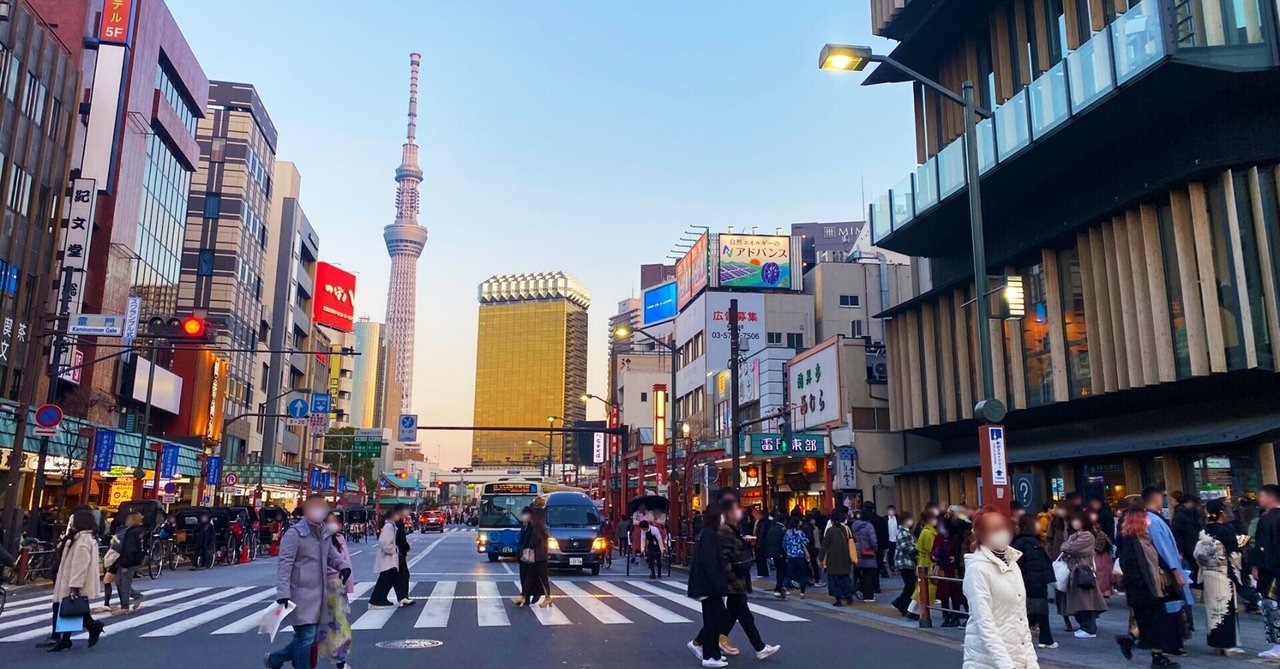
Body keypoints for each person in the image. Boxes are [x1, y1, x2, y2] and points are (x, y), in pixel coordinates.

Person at [266, 494, 351, 669]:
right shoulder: (295, 534)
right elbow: (285, 564)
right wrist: (283, 593)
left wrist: (343, 566)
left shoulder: (323, 533)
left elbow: (330, 555)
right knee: (306, 636)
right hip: (300, 593)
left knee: (309, 637)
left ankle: (274, 659)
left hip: (320, 593)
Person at [961, 507, 1039, 669]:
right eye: (995, 529)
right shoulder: (977, 569)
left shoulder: (1012, 563)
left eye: (1004, 527)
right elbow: (984, 623)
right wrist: (1006, 664)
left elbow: (1021, 620)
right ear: (980, 533)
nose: (1002, 533)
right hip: (986, 661)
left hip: (1018, 657)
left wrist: (1031, 662)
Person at [1115, 498, 1181, 668]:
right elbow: (1129, 566)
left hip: (1152, 588)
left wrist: (1172, 575)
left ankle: (1131, 641)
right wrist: (1146, 585)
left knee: (1151, 623)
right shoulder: (1132, 541)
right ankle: (1156, 657)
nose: (1148, 521)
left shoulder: (1144, 539)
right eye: (1145, 518)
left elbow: (1158, 560)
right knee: (1155, 622)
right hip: (1145, 590)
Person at [720, 494, 781, 660]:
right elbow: (725, 556)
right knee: (744, 615)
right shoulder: (726, 530)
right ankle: (759, 647)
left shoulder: (734, 529)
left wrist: (744, 540)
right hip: (735, 579)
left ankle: (713, 640)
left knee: (732, 614)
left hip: (738, 579)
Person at [1143, 487, 1193, 657]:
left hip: (1165, 569)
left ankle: (1170, 642)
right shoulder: (1153, 520)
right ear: (1156, 499)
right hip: (1166, 572)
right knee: (1172, 607)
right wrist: (1174, 570)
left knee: (1171, 607)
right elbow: (1163, 548)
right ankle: (1171, 643)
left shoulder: (1152, 519)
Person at [48, 510, 105, 652]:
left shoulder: (82, 541)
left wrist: (75, 585)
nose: (71, 523)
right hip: (71, 579)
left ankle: (91, 628)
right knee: (72, 609)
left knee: (73, 608)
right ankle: (67, 639)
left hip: (72, 580)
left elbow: (80, 565)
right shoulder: (81, 538)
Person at [1195, 498, 1245, 656]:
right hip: (1224, 573)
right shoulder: (1227, 531)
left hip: (1208, 573)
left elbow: (1198, 554)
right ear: (1222, 512)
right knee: (1226, 608)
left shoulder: (1204, 531)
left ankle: (1217, 644)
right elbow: (1234, 555)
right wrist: (1239, 574)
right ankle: (1228, 644)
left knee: (1213, 610)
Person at [687, 505, 730, 668]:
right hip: (709, 586)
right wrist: (720, 585)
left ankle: (712, 653)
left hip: (707, 585)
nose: (724, 519)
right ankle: (710, 656)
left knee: (716, 619)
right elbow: (710, 563)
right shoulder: (710, 535)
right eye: (722, 516)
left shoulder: (707, 534)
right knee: (714, 620)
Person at [1060, 511, 1108, 638]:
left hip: (1083, 571)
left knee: (1086, 601)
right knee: (1079, 601)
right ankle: (1084, 626)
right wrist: (1066, 547)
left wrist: (1066, 547)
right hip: (1074, 572)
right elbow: (1065, 547)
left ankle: (1089, 628)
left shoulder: (1087, 536)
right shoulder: (1074, 535)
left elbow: (1071, 548)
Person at [316, 512, 354, 669]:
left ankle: (340, 661)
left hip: (338, 586)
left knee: (340, 625)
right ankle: (281, 657)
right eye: (329, 521)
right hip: (322, 586)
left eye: (335, 521)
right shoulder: (320, 539)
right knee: (316, 629)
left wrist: (348, 584)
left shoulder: (339, 539)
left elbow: (346, 562)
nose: (333, 524)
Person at [1014, 513, 1057, 650]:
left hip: (1030, 581)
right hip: (1034, 581)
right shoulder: (1029, 543)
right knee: (1040, 612)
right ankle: (1046, 639)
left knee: (1031, 611)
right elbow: (1035, 564)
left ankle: (1042, 638)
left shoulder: (1022, 542)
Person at [1255, 484, 1280, 658]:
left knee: (1272, 607)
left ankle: (1278, 647)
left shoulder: (1267, 520)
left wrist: (1257, 566)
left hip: (1272, 571)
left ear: (1270, 497)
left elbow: (1263, 547)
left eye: (1262, 496)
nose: (1259, 499)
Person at [110, 510, 147, 615]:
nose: (127, 520)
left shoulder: (132, 532)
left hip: (128, 561)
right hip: (131, 560)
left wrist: (126, 564)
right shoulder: (136, 531)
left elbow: (130, 549)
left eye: (129, 519)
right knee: (119, 582)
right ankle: (136, 596)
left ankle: (125, 606)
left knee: (124, 583)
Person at [819, 507, 856, 606]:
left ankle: (838, 599)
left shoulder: (830, 531)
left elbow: (825, 545)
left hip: (833, 560)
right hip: (845, 558)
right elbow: (853, 539)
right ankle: (849, 596)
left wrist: (821, 558)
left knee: (835, 581)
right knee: (845, 578)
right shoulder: (846, 529)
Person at [367, 509, 401, 608]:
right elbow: (384, 541)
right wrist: (393, 549)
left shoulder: (391, 525)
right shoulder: (389, 526)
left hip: (389, 557)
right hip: (388, 557)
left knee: (388, 579)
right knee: (384, 580)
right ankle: (374, 601)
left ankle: (382, 598)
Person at [522, 498, 552, 608]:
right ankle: (523, 596)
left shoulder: (537, 521)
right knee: (531, 576)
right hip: (540, 554)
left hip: (538, 555)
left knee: (542, 578)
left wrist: (530, 546)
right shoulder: (542, 518)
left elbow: (536, 537)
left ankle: (547, 598)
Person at [892, 513, 919, 618]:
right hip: (904, 561)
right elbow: (905, 547)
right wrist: (917, 547)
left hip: (906, 562)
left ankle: (903, 605)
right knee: (910, 585)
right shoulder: (902, 532)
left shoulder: (906, 532)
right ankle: (901, 603)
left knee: (910, 585)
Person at [913, 510, 940, 616]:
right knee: (926, 587)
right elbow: (931, 548)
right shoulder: (928, 532)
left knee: (923, 587)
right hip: (928, 563)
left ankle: (914, 611)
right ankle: (917, 612)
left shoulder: (926, 531)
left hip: (924, 562)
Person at [1172, 494, 1203, 583]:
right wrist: (1180, 550)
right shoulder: (1183, 515)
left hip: (1190, 546)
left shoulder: (1186, 514)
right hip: (1189, 547)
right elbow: (1178, 533)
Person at [850, 510, 879, 602]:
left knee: (862, 573)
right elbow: (873, 540)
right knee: (869, 574)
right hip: (868, 553)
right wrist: (875, 549)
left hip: (858, 553)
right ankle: (868, 596)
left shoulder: (854, 526)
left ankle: (859, 590)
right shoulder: (869, 526)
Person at [1090, 507, 1116, 598]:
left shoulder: (1091, 531)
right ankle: (1104, 592)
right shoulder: (1100, 530)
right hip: (1103, 554)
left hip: (1096, 554)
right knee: (1103, 574)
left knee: (1099, 574)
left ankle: (1099, 592)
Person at [393, 505, 415, 606]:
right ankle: (403, 597)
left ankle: (402, 597)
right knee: (403, 574)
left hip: (397, 551)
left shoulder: (396, 521)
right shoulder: (397, 522)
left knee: (393, 576)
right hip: (398, 552)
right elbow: (400, 537)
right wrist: (406, 546)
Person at [782, 516, 810, 598]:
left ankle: (784, 587)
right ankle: (802, 592)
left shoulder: (787, 532)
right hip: (800, 555)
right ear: (798, 523)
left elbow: (784, 544)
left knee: (789, 573)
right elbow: (806, 541)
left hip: (790, 556)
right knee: (803, 574)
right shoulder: (800, 532)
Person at [511, 507, 533, 605]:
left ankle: (525, 597)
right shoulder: (524, 525)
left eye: (525, 514)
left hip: (528, 555)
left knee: (527, 577)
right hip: (522, 554)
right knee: (523, 577)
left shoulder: (532, 526)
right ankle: (525, 597)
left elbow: (528, 541)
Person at [764, 512, 787, 598]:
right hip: (781, 552)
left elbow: (767, 541)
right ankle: (779, 588)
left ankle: (780, 587)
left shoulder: (772, 529)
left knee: (779, 571)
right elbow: (785, 542)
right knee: (782, 571)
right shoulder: (783, 530)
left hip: (773, 552)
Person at [803, 512, 823, 587]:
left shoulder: (807, 527)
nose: (814, 521)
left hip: (809, 549)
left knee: (810, 564)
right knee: (814, 564)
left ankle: (811, 579)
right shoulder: (809, 528)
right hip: (810, 549)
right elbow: (809, 539)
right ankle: (816, 580)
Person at [752, 508, 771, 578]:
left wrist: (758, 543)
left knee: (760, 558)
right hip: (758, 541)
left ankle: (762, 572)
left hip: (760, 543)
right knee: (760, 558)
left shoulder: (762, 523)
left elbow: (761, 534)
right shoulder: (759, 522)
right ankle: (762, 572)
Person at [886, 505, 900, 576]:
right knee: (890, 554)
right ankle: (892, 567)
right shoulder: (885, 519)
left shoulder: (898, 518)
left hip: (897, 539)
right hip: (889, 539)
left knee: (898, 553)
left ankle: (899, 567)